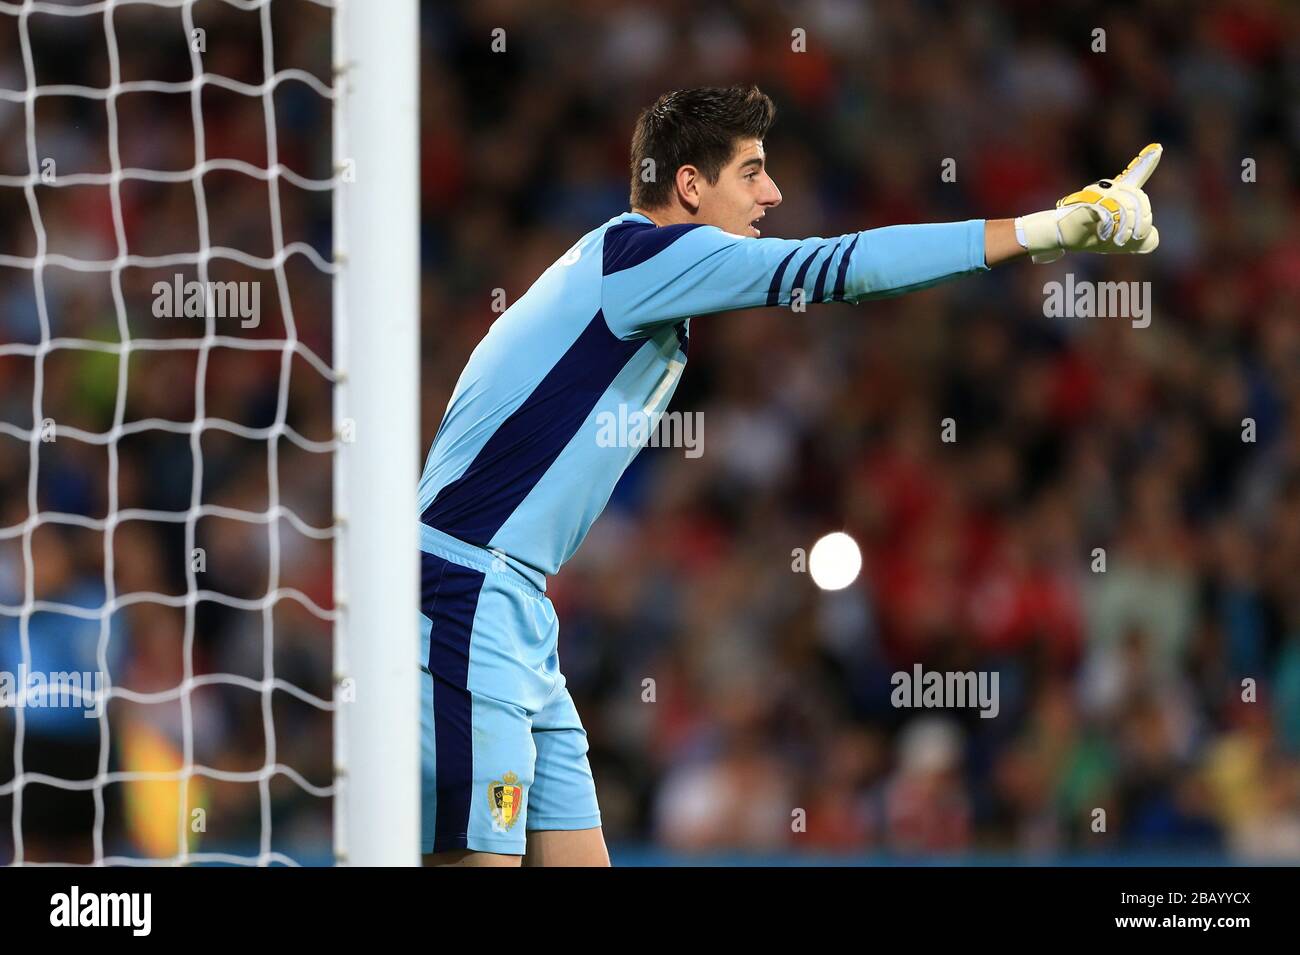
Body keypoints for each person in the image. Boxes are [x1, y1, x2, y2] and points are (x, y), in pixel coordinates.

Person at [416, 84, 1161, 866]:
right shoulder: (645, 255)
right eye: (752, 172)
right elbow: (849, 266)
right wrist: (1050, 228)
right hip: (467, 590)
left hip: (514, 607)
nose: (772, 193)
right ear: (690, 186)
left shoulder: (629, 271)